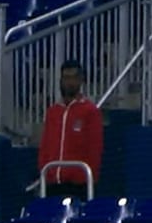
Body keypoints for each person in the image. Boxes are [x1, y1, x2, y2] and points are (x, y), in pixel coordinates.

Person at [36, 60, 102, 201]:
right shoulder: (53, 112)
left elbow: (95, 148)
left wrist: (89, 178)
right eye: (66, 78)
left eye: (74, 78)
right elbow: (45, 145)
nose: (70, 82)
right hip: (53, 182)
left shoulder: (90, 111)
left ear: (80, 80)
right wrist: (45, 172)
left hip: (79, 183)